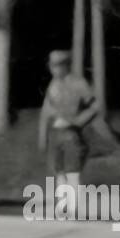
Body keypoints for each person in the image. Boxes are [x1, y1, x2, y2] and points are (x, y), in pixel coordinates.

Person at [38, 49, 99, 215]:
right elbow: (45, 111)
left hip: (71, 133)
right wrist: (42, 136)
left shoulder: (78, 84)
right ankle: (62, 208)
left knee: (72, 172)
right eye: (52, 65)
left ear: (66, 66)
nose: (54, 69)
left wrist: (77, 121)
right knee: (58, 172)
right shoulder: (53, 85)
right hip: (55, 133)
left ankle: (73, 209)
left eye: (57, 65)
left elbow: (95, 107)